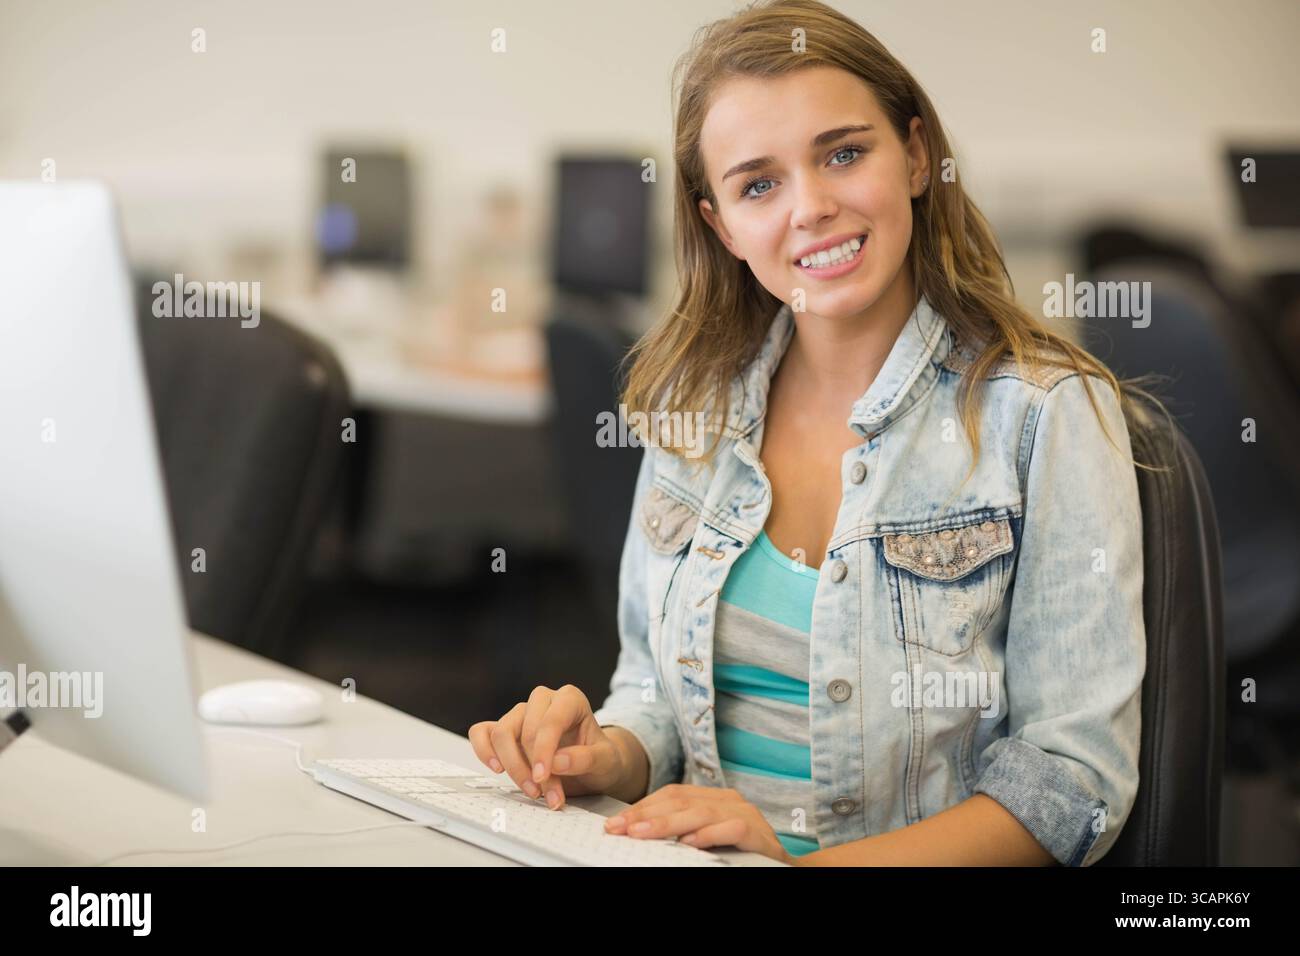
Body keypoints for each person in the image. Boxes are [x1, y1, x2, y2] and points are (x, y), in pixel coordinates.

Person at [469, 0, 1146, 866]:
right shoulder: (694, 406)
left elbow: (1071, 787)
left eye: (843, 153)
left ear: (914, 155)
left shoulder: (1048, 413)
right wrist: (605, 751)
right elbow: (652, 694)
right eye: (759, 184)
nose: (812, 207)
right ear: (720, 223)